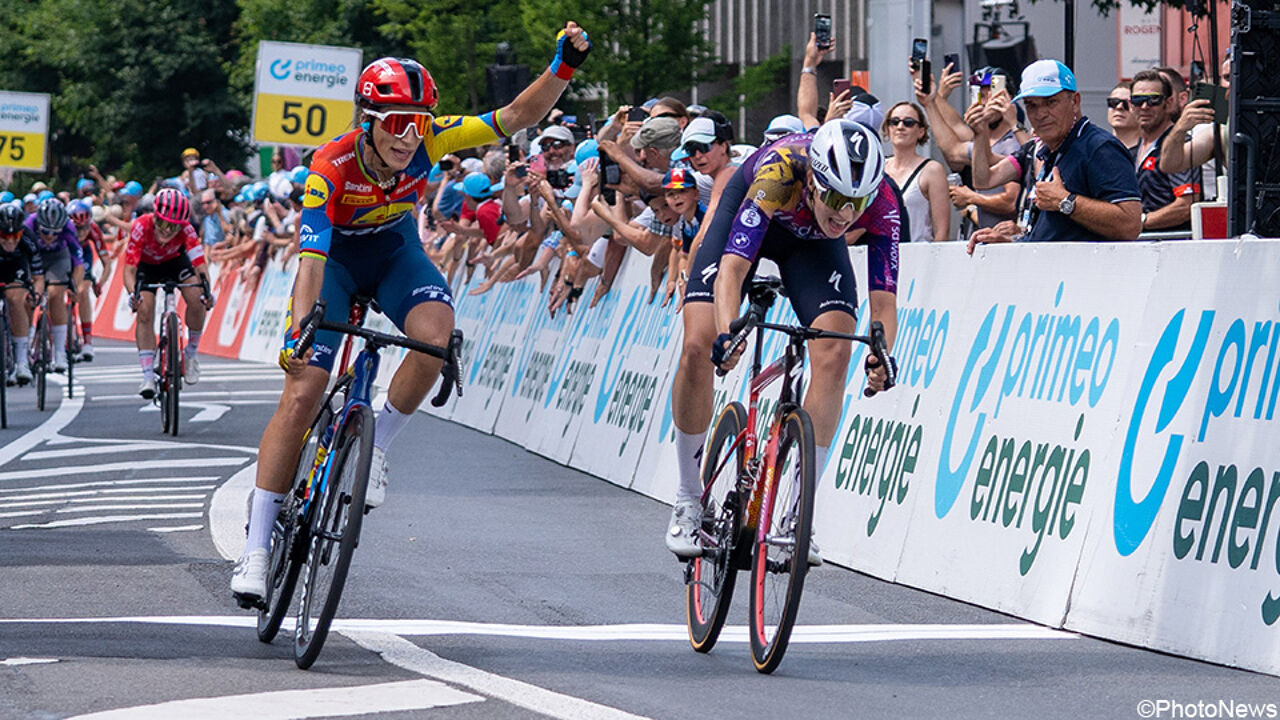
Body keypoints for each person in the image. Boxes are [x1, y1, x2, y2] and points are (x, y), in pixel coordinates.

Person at [230, 22, 592, 606]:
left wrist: (565, 68)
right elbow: (312, 261)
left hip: (396, 253)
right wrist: (303, 329)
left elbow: (518, 114)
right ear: (368, 120)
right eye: (396, 124)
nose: (408, 138)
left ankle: (375, 449)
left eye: (418, 123)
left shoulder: (431, 140)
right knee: (303, 389)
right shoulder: (330, 166)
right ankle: (257, 547)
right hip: (337, 263)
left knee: (434, 339)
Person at [664, 119, 901, 565]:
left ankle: (797, 513)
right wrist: (729, 331)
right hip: (751, 219)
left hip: (809, 245)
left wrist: (881, 353)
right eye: (835, 198)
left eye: (857, 203)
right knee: (698, 344)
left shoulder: (882, 199)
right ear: (813, 178)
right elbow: (732, 268)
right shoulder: (780, 172)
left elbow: (884, 298)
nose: (846, 215)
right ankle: (688, 498)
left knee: (835, 351)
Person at [968, 59, 1141, 248]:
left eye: (1050, 102)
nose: (1040, 114)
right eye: (1031, 105)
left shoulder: (1099, 147)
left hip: (1080, 273)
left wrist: (1066, 201)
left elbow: (1130, 225)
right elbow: (984, 181)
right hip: (1049, 270)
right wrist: (980, 133)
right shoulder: (1043, 147)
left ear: (1075, 101)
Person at [122, 188, 212, 398]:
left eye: (174, 227)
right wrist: (132, 295)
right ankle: (147, 377)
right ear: (155, 217)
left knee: (196, 298)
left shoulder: (187, 230)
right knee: (144, 310)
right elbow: (129, 270)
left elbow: (200, 264)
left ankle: (190, 354)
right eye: (163, 224)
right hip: (147, 266)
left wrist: (207, 290)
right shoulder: (140, 227)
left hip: (175, 262)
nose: (168, 231)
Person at [1129, 70, 1200, 233]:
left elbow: (1186, 206)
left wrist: (1142, 221)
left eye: (1154, 99)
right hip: (1140, 243)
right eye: (1138, 100)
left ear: (1168, 103)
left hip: (1174, 243)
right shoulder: (1133, 151)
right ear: (1131, 104)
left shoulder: (1180, 143)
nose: (1145, 106)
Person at [26, 199, 85, 373]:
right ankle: (26, 342)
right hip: (34, 256)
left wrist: (75, 286)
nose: (50, 236)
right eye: (45, 232)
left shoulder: (69, 227)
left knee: (55, 293)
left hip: (58, 257)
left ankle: (60, 352)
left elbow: (78, 262)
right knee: (25, 298)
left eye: (55, 233)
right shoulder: (29, 224)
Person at [882, 102, 950, 242]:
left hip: (919, 256)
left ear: (921, 131)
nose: (900, 127)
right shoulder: (877, 167)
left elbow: (941, 232)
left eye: (908, 122)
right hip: (883, 257)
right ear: (888, 128)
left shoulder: (932, 170)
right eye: (894, 122)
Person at [0, 204, 40, 384]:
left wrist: (37, 294)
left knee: (15, 299)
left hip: (17, 269)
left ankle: (22, 362)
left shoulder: (28, 239)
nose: (10, 242)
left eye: (15, 236)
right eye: (4, 236)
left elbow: (39, 276)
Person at [67, 200, 106, 361]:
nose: (82, 232)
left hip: (83, 255)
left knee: (82, 291)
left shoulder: (94, 230)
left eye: (85, 227)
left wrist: (100, 283)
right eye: (77, 228)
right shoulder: (63, 231)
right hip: (65, 253)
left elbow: (107, 262)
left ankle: (87, 341)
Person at [1106, 83, 1140, 149]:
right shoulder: (1097, 149)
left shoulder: (1150, 151)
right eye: (1114, 102)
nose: (1119, 107)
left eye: (1127, 104)